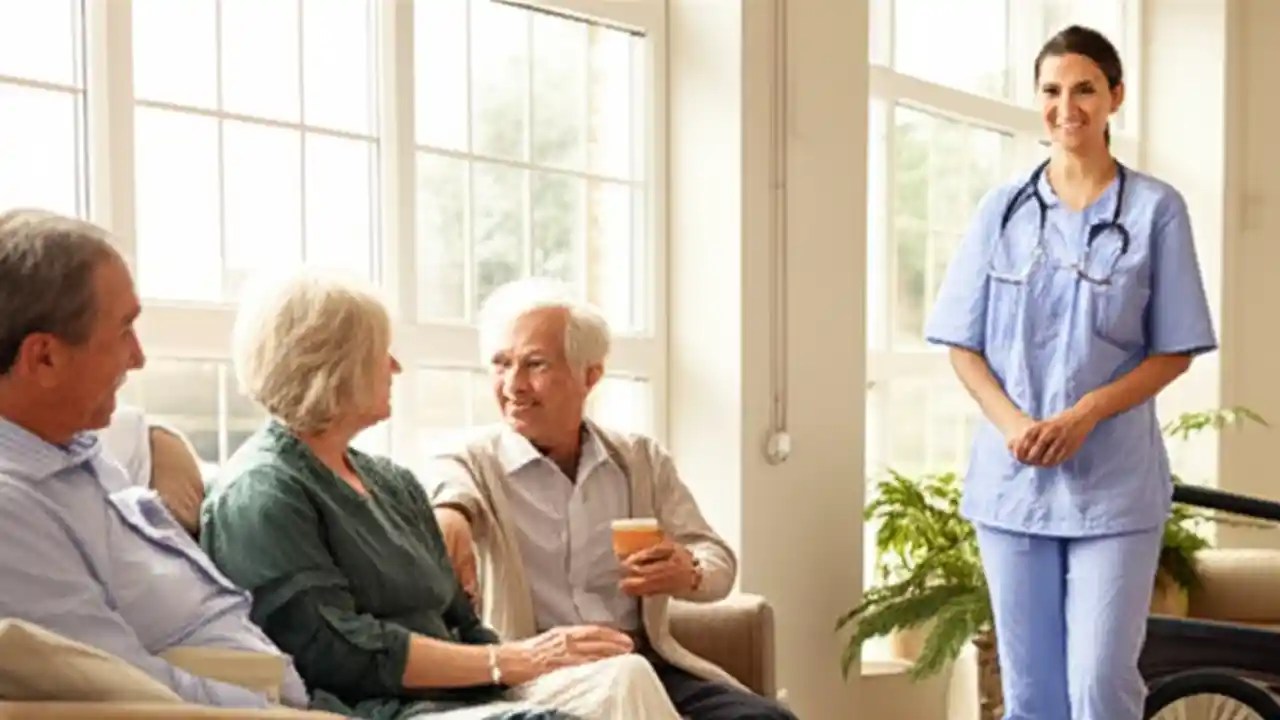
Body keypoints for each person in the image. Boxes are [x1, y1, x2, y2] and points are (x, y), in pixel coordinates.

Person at [200, 270, 682, 720]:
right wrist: (509, 660)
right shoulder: (262, 491)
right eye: (380, 354)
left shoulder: (391, 481)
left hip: (470, 694)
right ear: (332, 365)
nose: (395, 367)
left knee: (624, 675)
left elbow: (462, 621)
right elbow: (332, 651)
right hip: (384, 708)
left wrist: (515, 664)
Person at [925, 26, 1217, 720]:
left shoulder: (1155, 210)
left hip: (1113, 489)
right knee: (1031, 696)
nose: (1067, 106)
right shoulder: (1002, 210)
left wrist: (1084, 414)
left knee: (1099, 687)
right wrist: (1017, 426)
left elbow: (1173, 350)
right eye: (1052, 90)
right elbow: (962, 343)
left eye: (1084, 88)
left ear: (1115, 96)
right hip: (1013, 482)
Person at [426, 278, 797, 720]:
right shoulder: (470, 461)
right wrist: (452, 515)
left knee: (766, 719)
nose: (513, 385)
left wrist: (689, 571)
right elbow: (450, 490)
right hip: (536, 669)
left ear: (591, 375)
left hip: (643, 658)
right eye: (501, 364)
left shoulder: (639, 459)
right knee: (625, 684)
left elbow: (716, 558)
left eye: (535, 365)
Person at [0, 208, 309, 709]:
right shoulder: (12, 509)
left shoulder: (70, 445)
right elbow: (131, 694)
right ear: (45, 358)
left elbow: (147, 434)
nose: (139, 358)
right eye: (124, 330)